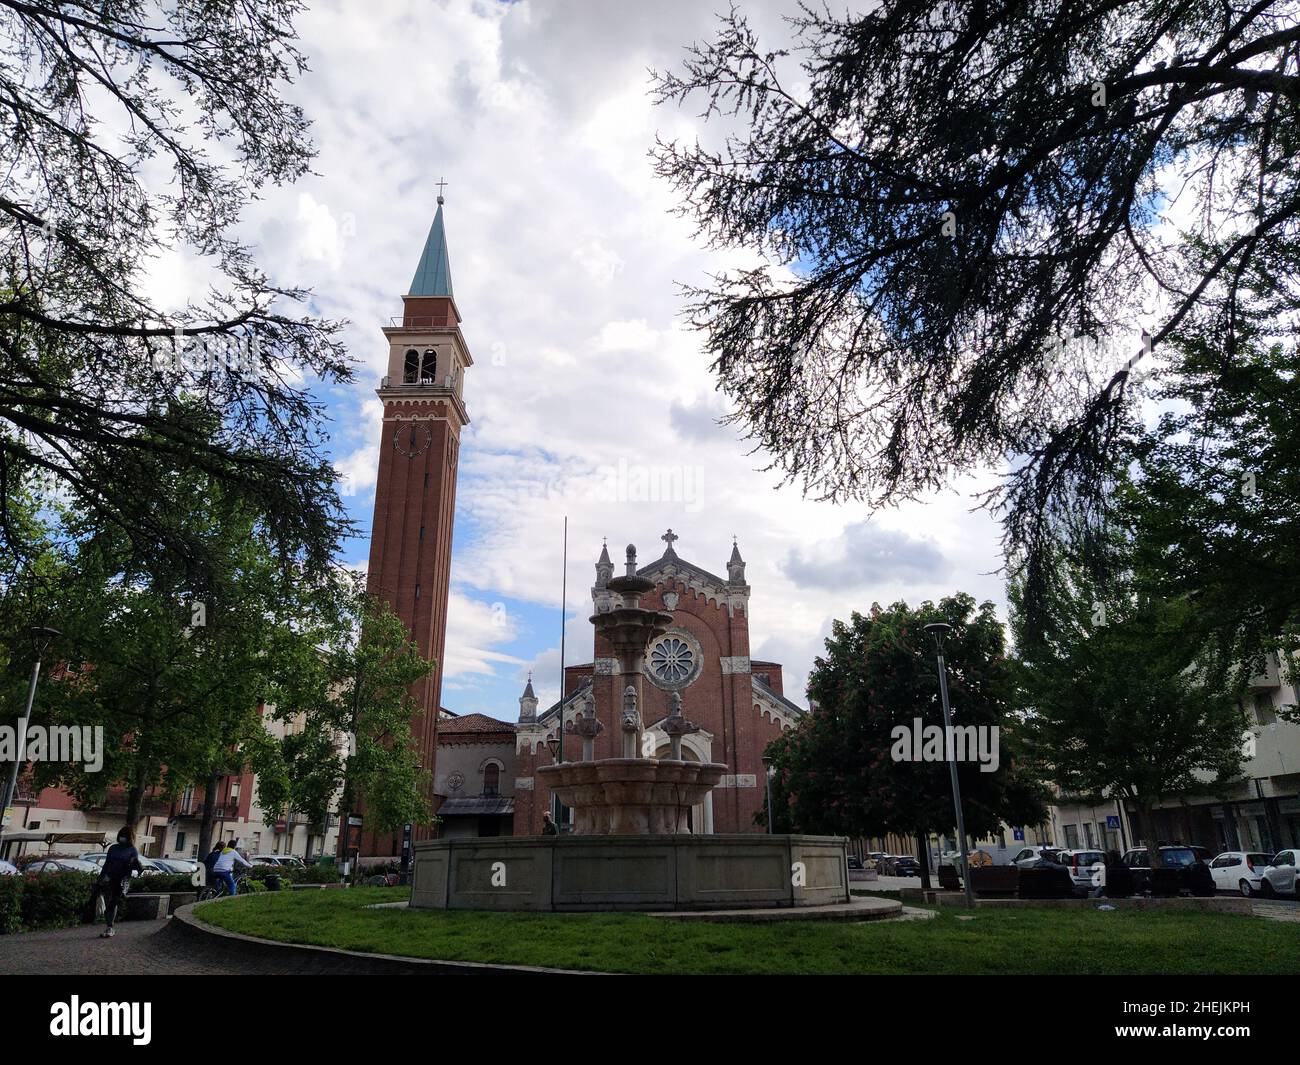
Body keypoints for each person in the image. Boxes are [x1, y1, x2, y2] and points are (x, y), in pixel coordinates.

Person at [94, 827, 143, 938]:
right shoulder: (113, 848)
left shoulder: (132, 850)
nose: (122, 838)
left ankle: (110, 926)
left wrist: (134, 867)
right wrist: (101, 877)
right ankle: (109, 925)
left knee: (113, 902)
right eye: (121, 835)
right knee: (108, 903)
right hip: (110, 878)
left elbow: (136, 866)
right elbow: (107, 864)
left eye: (125, 836)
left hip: (123, 880)